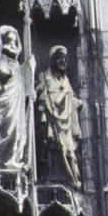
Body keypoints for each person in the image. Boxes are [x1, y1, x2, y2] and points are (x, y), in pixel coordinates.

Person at [35, 46, 82, 187]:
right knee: (52, 147)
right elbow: (41, 96)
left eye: (65, 59)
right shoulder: (45, 76)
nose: (62, 62)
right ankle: (49, 175)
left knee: (68, 151)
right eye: (59, 58)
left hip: (65, 121)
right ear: (53, 59)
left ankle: (70, 177)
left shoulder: (66, 80)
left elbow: (71, 97)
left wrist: (77, 102)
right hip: (50, 119)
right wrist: (51, 103)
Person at [0, 25, 26, 167]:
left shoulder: (15, 65)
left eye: (15, 42)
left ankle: (11, 160)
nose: (12, 45)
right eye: (8, 41)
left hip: (13, 104)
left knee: (14, 129)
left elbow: (21, 87)